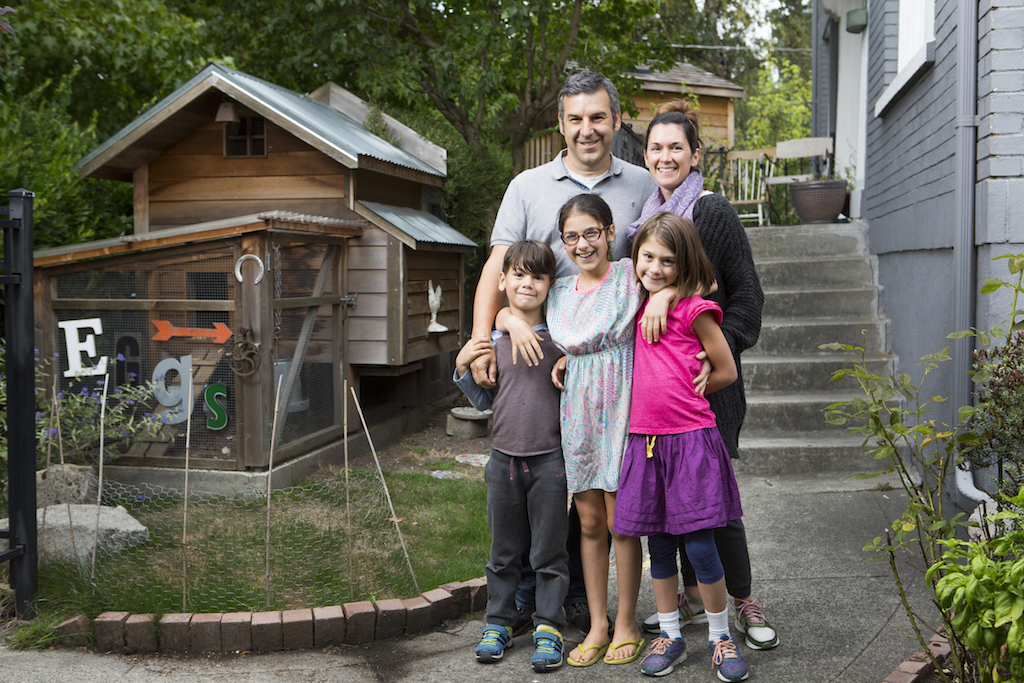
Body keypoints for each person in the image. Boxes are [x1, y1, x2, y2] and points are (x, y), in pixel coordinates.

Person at [469, 69, 656, 636]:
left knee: (598, 488)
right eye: (575, 118)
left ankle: (581, 603)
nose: (587, 129)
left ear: (616, 121)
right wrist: (486, 336)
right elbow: (497, 268)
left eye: (598, 117)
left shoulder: (642, 185)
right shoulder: (528, 185)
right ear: (560, 124)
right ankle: (532, 599)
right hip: (539, 355)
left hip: (614, 363)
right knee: (548, 472)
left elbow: (663, 258)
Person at [628, 101, 776, 651]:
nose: (666, 156)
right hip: (657, 399)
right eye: (657, 147)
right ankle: (691, 597)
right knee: (671, 504)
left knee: (716, 508)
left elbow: (747, 302)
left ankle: (743, 600)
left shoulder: (712, 213)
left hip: (708, 387)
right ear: (646, 156)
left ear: (695, 154)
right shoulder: (646, 221)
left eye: (676, 147)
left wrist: (708, 355)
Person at [501, 194, 672, 666]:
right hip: (576, 411)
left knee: (622, 522)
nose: (582, 244)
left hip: (622, 403)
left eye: (591, 233)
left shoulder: (628, 275)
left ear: (611, 232)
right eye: (571, 236)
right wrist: (506, 319)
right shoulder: (557, 290)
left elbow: (691, 277)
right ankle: (598, 624)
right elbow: (513, 308)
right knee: (590, 521)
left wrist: (666, 294)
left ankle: (626, 624)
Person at [614, 212, 749, 681]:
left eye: (667, 262)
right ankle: (670, 633)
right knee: (660, 544)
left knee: (700, 544)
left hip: (691, 441)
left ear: (683, 263)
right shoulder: (632, 302)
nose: (653, 268)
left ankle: (720, 636)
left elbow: (726, 371)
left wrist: (694, 390)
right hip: (646, 444)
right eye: (647, 257)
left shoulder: (695, 310)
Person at [453, 240, 569, 673]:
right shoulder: (494, 341)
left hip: (549, 463)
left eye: (538, 276)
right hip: (503, 461)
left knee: (549, 552)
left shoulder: (561, 341)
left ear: (550, 285)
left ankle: (549, 628)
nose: (527, 283)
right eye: (518, 274)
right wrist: (462, 365)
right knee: (503, 552)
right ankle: (499, 622)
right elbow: (483, 400)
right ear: (502, 280)